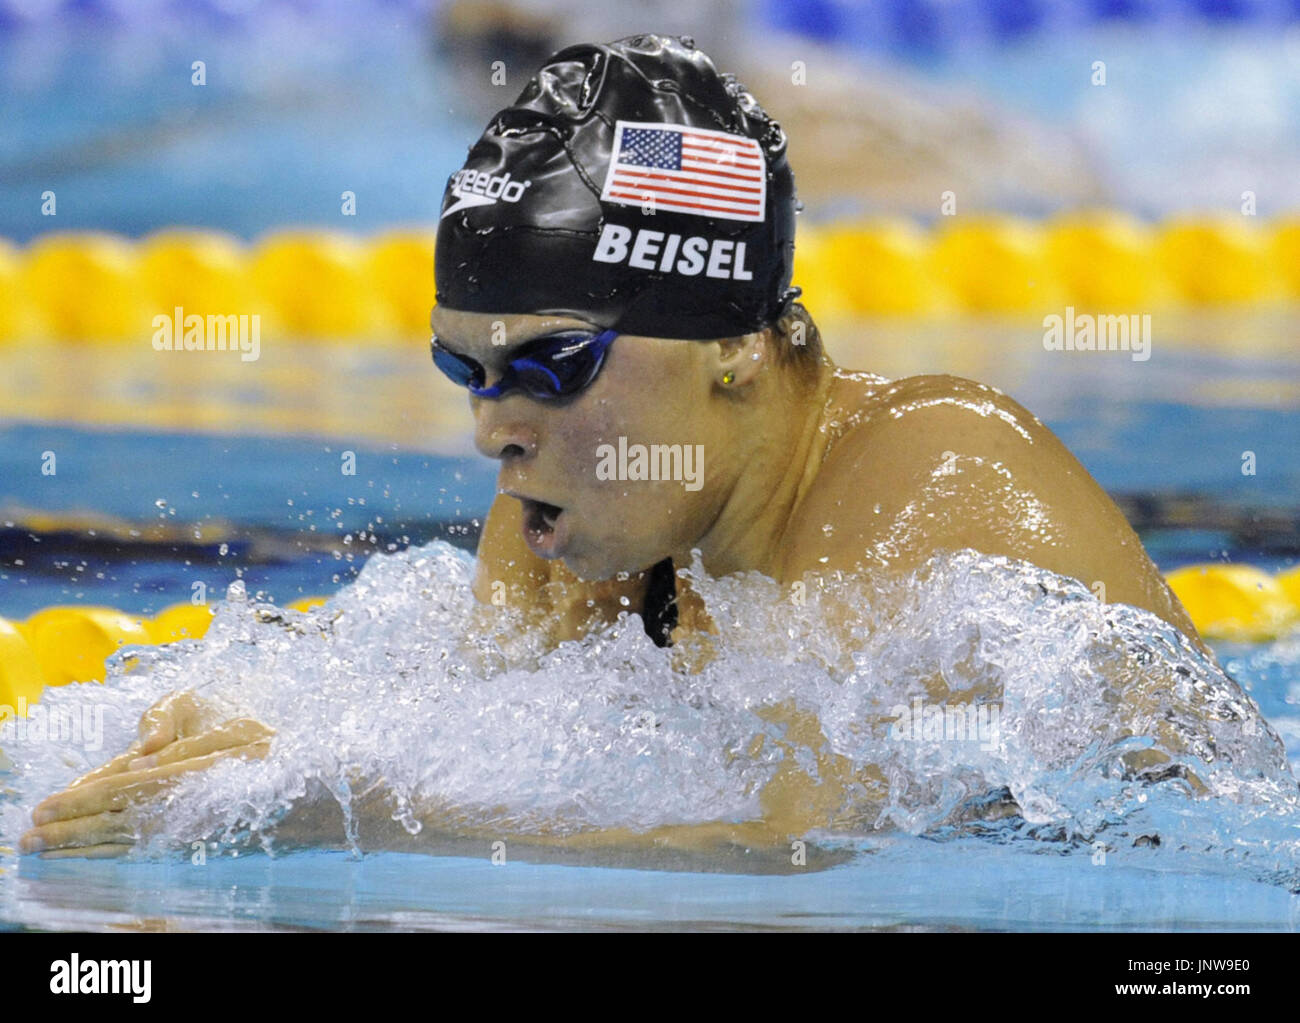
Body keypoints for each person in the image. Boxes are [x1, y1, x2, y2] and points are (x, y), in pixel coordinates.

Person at [20, 33, 1205, 859]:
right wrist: (237, 752)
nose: (495, 428)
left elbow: (804, 858)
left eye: (552, 365)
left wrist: (351, 811)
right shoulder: (583, 516)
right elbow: (478, 741)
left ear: (729, 340)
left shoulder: (929, 475)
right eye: (466, 371)